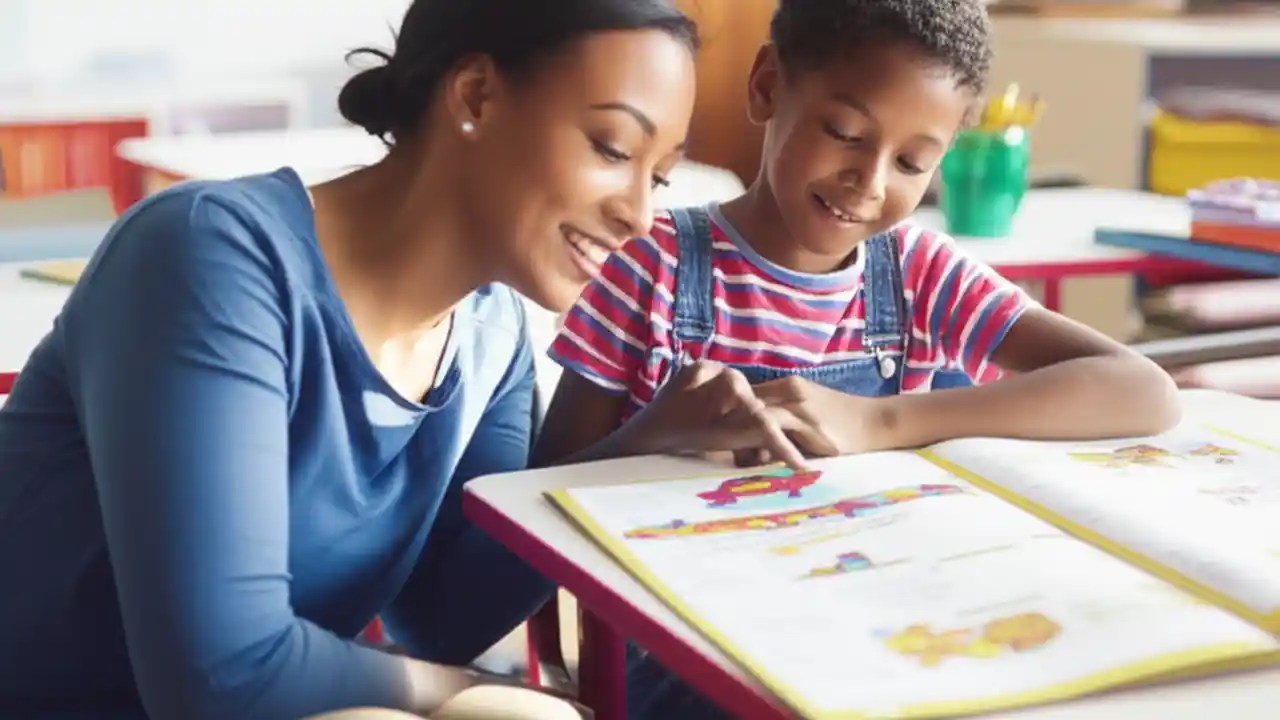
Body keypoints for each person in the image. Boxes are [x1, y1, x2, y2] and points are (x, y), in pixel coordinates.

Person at [0, 0, 702, 718]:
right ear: (475, 96)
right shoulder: (210, 258)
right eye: (613, 148)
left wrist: (634, 451)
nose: (640, 215)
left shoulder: (490, 337)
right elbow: (221, 678)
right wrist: (460, 690)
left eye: (660, 177)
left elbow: (445, 617)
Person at [535, 0, 1181, 469]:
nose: (869, 183)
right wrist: (653, 438)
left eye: (911, 164)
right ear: (767, 86)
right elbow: (534, 499)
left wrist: (879, 420)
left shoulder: (919, 275)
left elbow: (1141, 389)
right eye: (844, 133)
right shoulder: (650, 265)